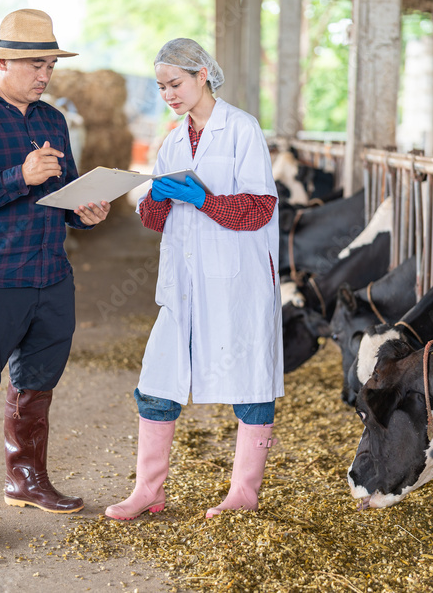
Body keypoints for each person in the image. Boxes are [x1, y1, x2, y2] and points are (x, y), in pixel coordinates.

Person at [0, 8, 111, 546]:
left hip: (50, 273)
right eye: (35, 63)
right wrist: (19, 175)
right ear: (1, 60)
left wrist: (86, 211)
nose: (45, 74)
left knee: (37, 382)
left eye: (50, 64)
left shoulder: (53, 120)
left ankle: (25, 478)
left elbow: (65, 190)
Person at [106, 38, 283, 521]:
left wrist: (203, 199)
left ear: (203, 74)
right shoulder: (173, 140)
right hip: (183, 282)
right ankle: (148, 490)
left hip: (237, 281)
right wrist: (158, 197)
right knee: (158, 381)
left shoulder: (241, 129)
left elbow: (260, 207)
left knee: (249, 380)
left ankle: (243, 494)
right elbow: (153, 219)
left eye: (175, 83)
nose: (168, 94)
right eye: (162, 86)